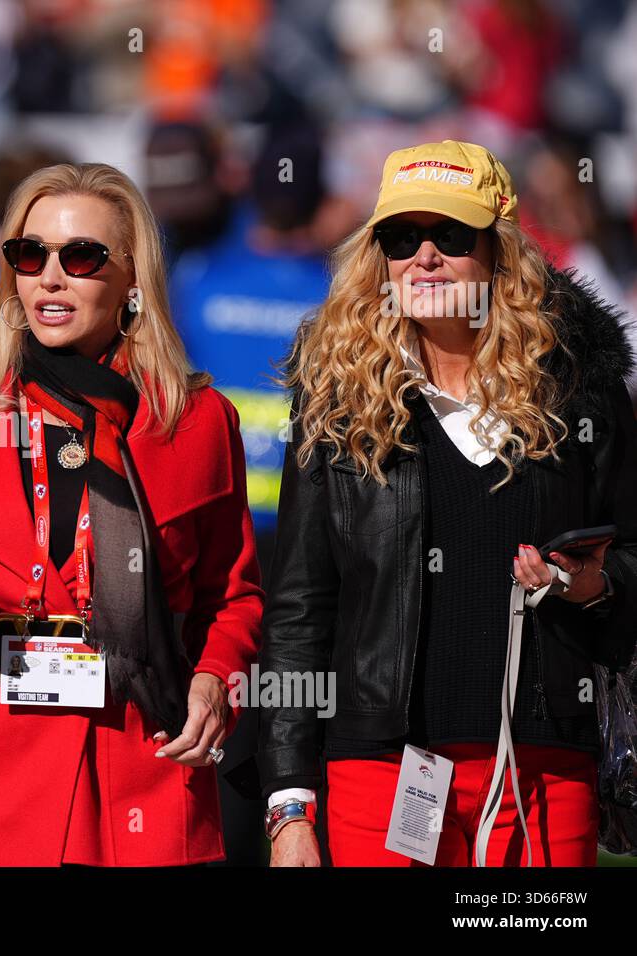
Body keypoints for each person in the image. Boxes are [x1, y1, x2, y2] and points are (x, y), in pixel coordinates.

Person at [0, 162, 264, 866]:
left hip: (147, 759)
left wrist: (215, 682)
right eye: (30, 255)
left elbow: (232, 598)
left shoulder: (200, 421)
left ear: (132, 277)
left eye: (81, 256)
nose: (50, 277)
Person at [260, 140, 637, 867]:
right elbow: (300, 608)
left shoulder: (582, 390)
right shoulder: (339, 400)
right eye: (401, 239)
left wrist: (591, 583)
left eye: (451, 237)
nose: (423, 257)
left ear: (501, 255)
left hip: (544, 766)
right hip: (381, 766)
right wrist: (289, 802)